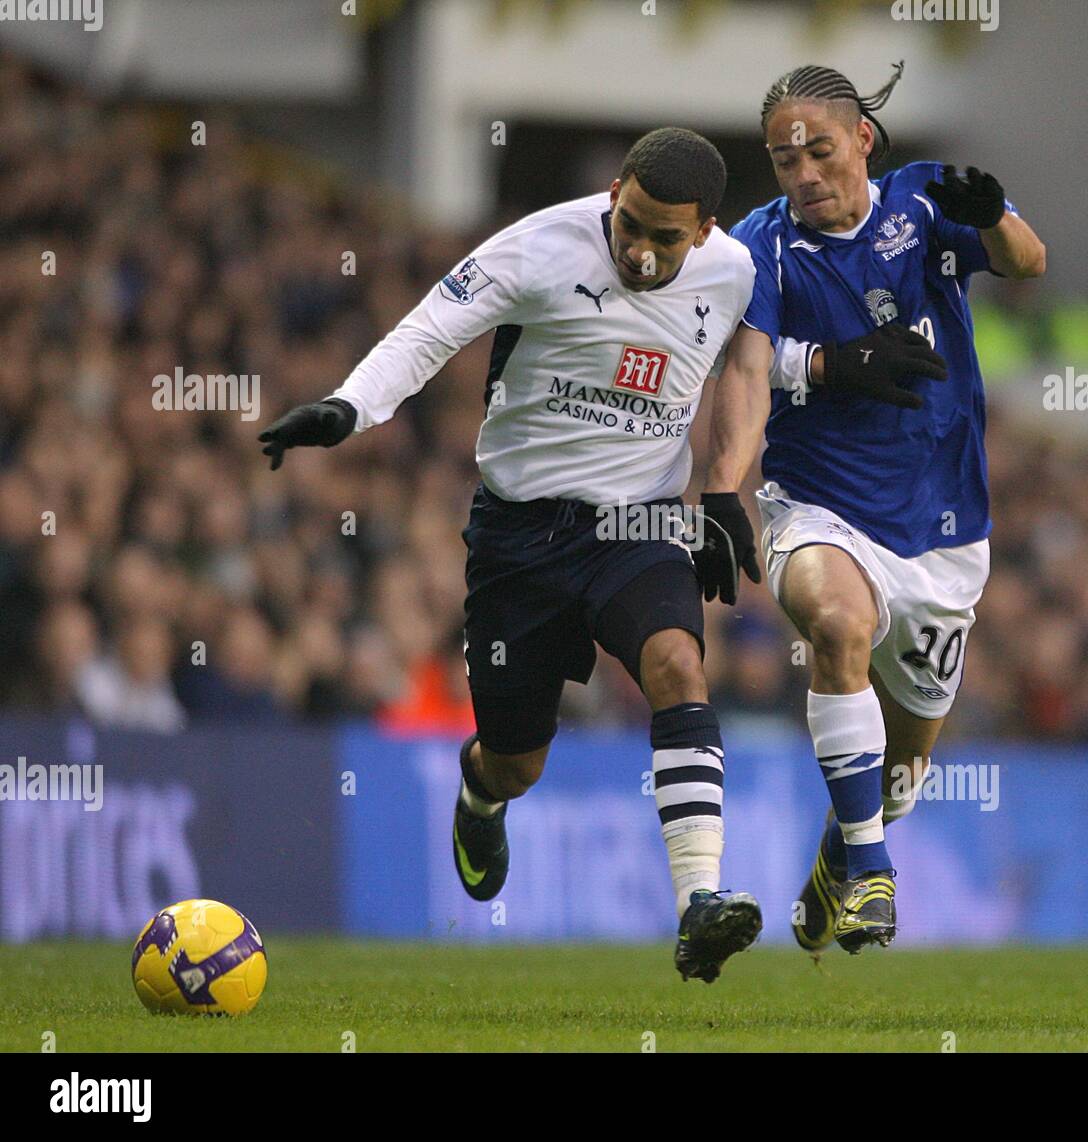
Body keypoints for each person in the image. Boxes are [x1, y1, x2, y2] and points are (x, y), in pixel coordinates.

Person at [259, 128, 765, 982]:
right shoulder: (539, 247)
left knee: (679, 664)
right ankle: (480, 792)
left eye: (664, 238)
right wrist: (351, 407)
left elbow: (761, 365)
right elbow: (430, 329)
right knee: (517, 760)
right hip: (520, 536)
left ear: (708, 231)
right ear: (613, 191)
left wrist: (725, 489)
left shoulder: (737, 273)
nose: (640, 251)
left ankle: (699, 906)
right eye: (630, 224)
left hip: (638, 525)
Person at [704, 64, 1046, 953]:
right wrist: (728, 483)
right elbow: (741, 365)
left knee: (903, 768)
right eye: (785, 162)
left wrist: (995, 217)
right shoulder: (761, 249)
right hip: (819, 503)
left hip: (943, 526)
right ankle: (872, 873)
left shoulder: (926, 202)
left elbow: (1030, 265)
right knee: (834, 622)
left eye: (819, 150)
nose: (805, 174)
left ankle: (845, 845)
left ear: (862, 138)